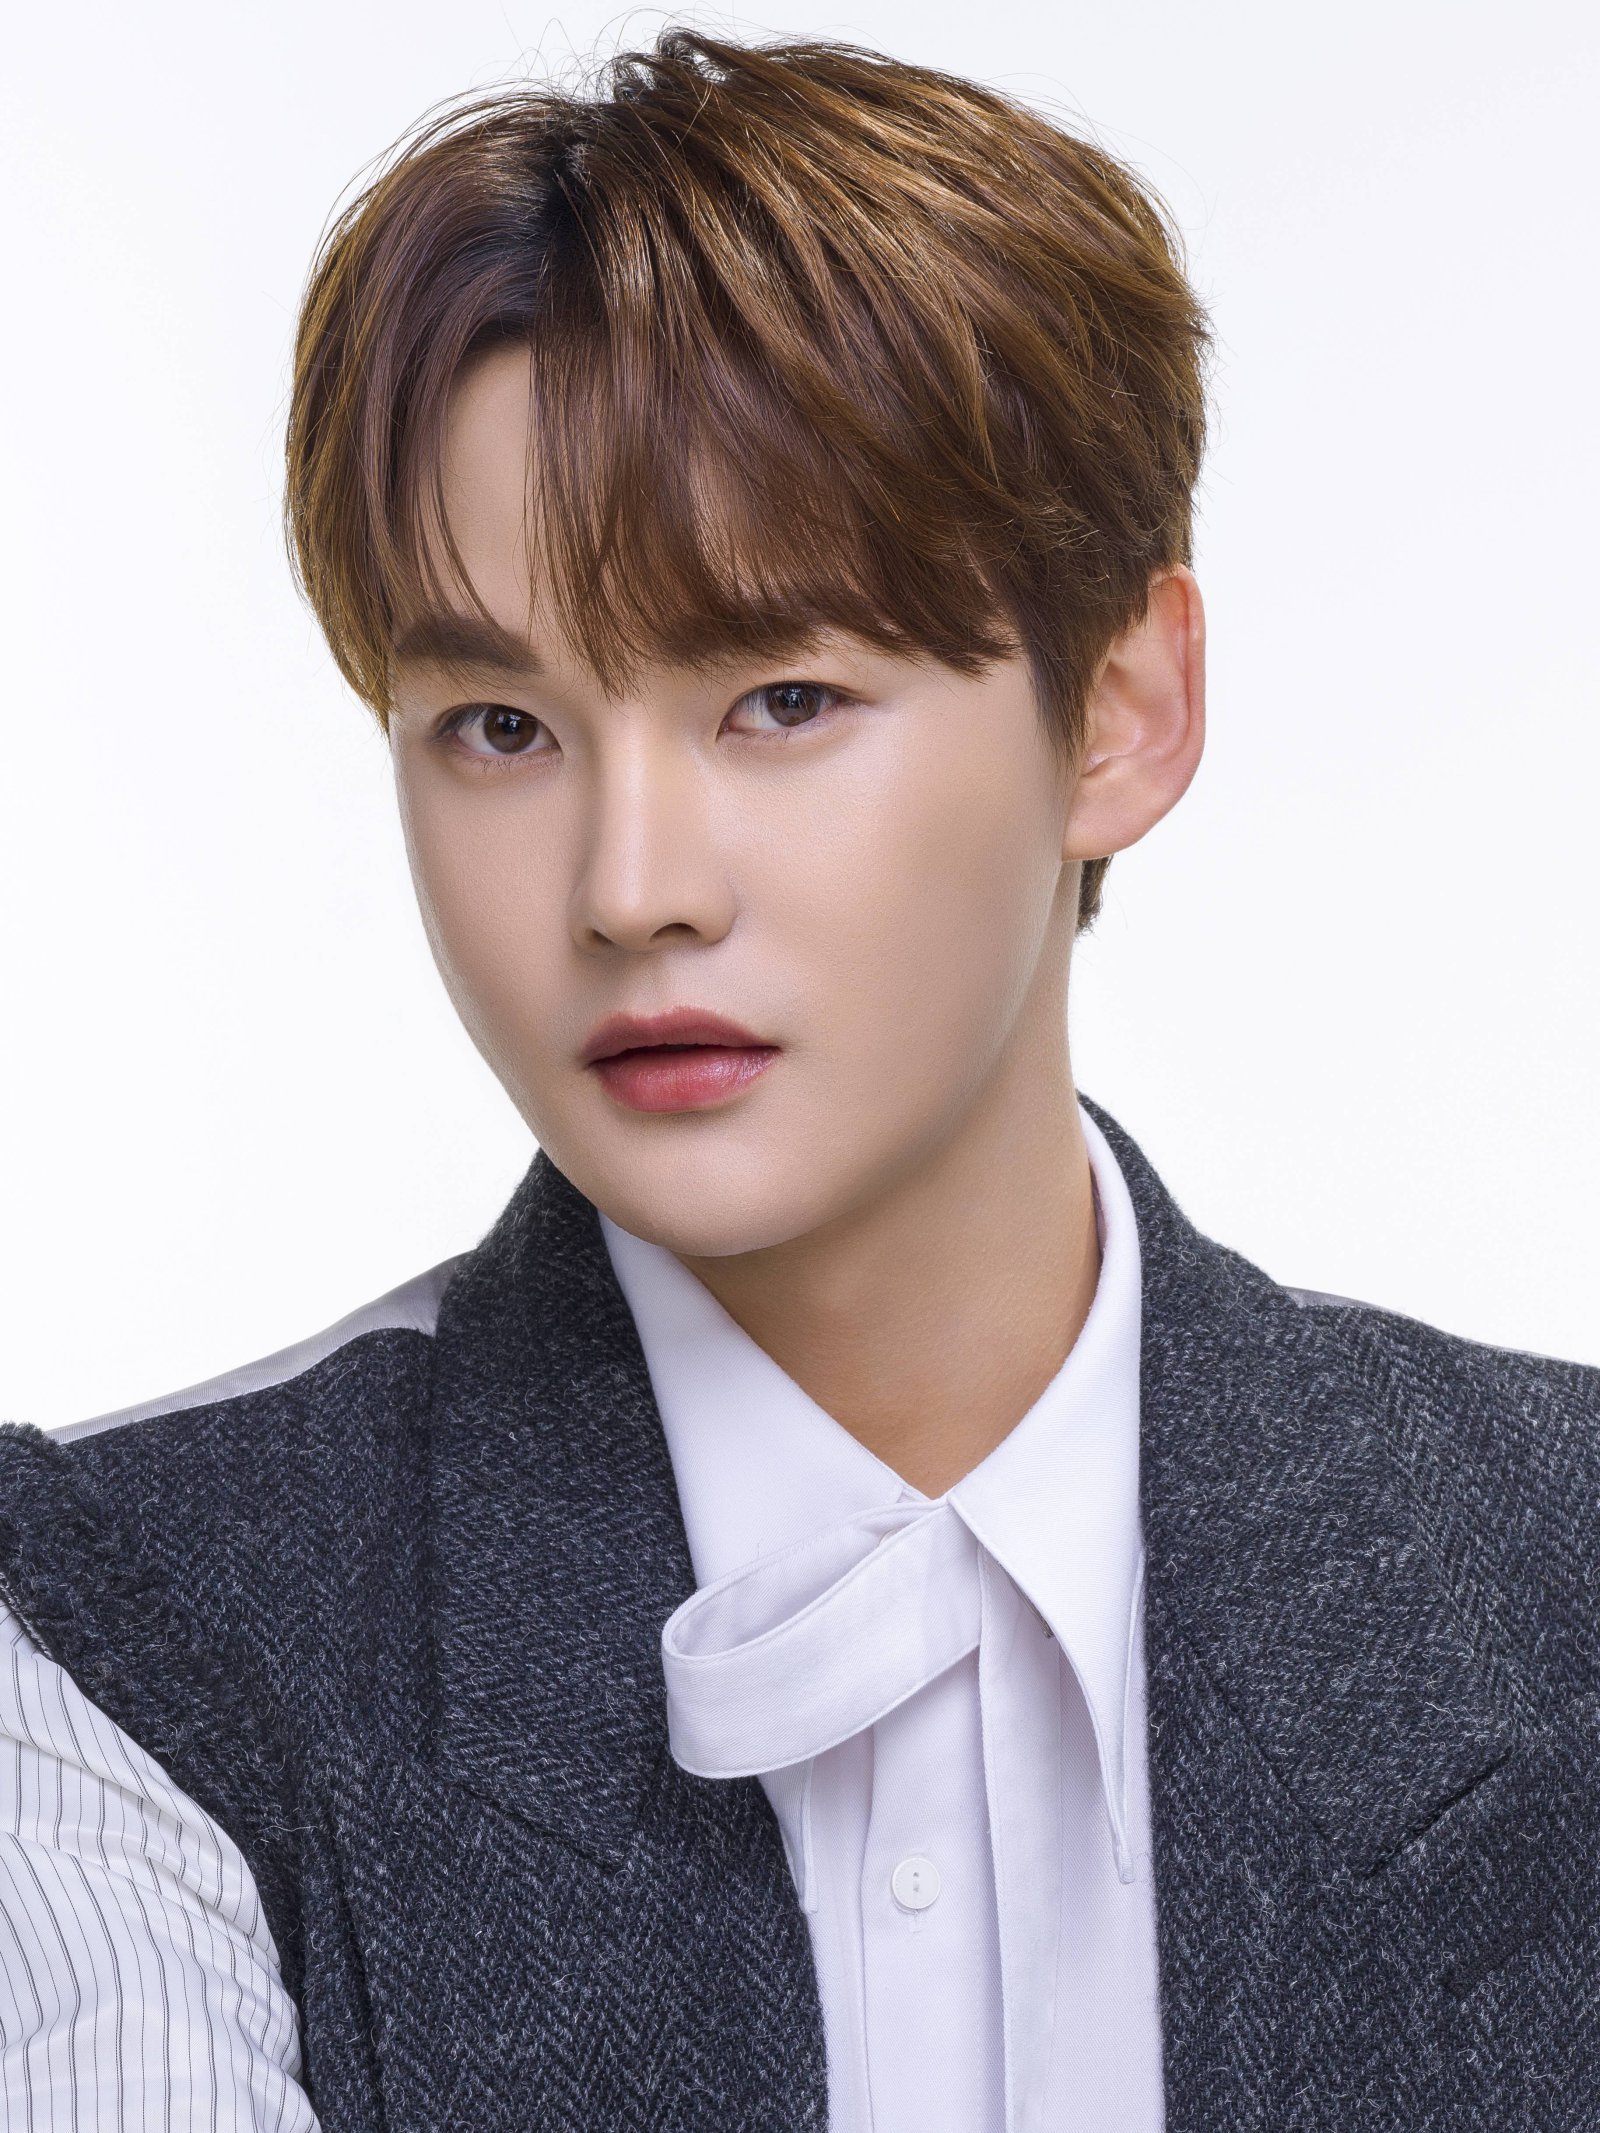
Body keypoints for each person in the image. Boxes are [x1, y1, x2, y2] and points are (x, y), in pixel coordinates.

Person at [1, 24, 1595, 2132]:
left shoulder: (1549, 1571)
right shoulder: (119, 1632)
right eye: (499, 727)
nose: (630, 887)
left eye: (778, 696)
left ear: (1118, 711)